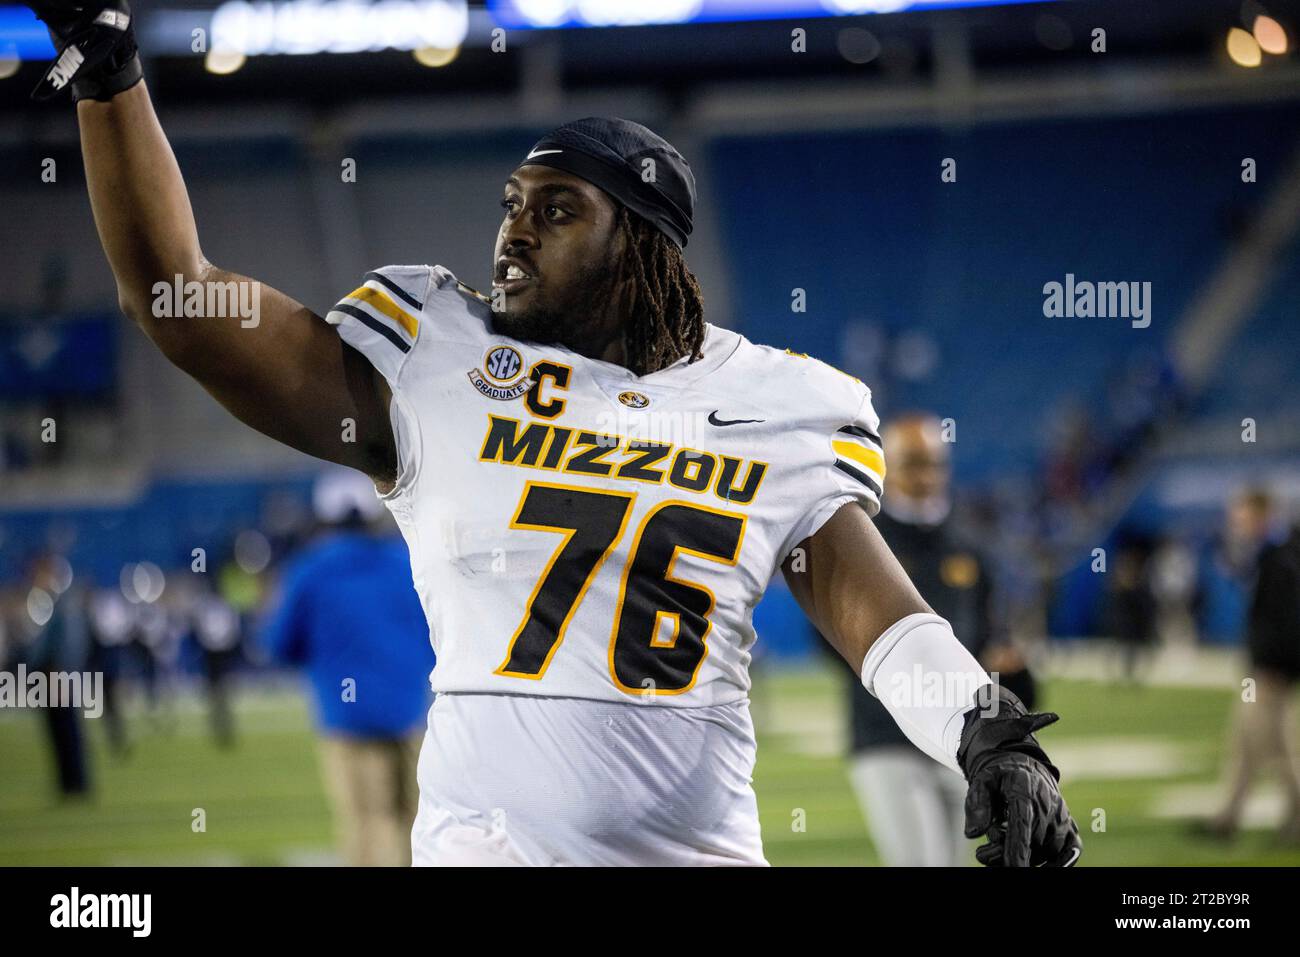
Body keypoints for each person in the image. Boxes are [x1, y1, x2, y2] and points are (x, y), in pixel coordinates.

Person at [28, 0, 1081, 867]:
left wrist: (981, 730)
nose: (513, 228)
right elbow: (177, 297)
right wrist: (111, 75)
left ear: (645, 248)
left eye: (558, 207)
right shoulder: (436, 366)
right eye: (510, 201)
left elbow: (879, 618)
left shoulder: (778, 402)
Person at [823, 413, 1037, 866]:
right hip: (886, 732)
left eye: (934, 463)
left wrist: (1007, 659)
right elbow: (829, 636)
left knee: (953, 860)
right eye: (914, 462)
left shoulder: (968, 542)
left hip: (958, 734)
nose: (926, 476)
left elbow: (990, 634)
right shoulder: (864, 537)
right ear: (885, 467)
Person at [260, 471, 435, 866]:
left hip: (346, 716)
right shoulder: (405, 560)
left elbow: (277, 644)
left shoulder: (309, 570)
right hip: (411, 711)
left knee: (365, 824)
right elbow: (438, 632)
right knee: (418, 822)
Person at [1203, 489, 1300, 844]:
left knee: (1273, 746)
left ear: (1260, 515)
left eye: (1241, 517)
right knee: (1246, 743)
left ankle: (1291, 819)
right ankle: (1227, 818)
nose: (1236, 524)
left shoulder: (1281, 556)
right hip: (1264, 665)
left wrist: (1274, 663)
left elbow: (1288, 618)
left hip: (1271, 669)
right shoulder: (1271, 554)